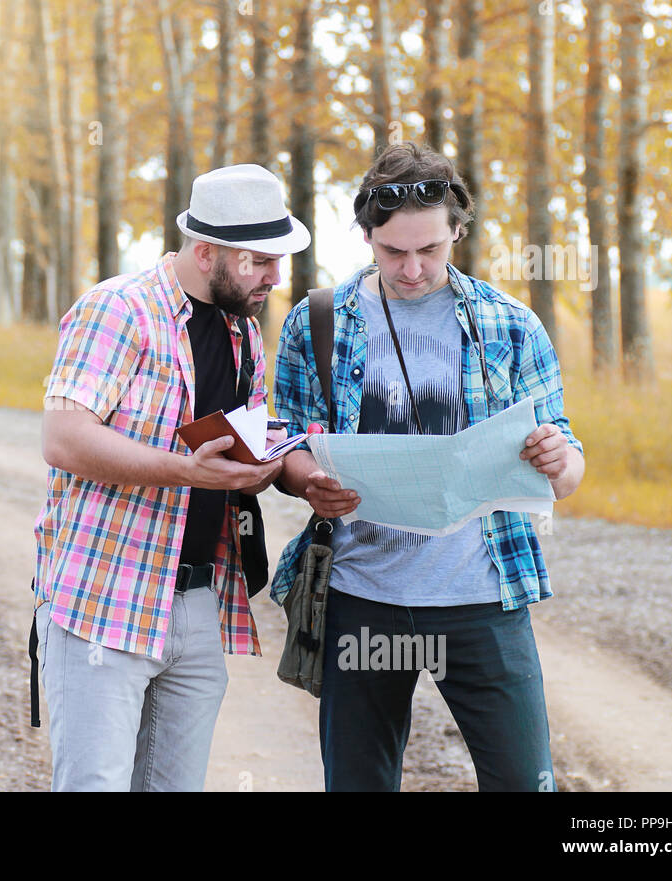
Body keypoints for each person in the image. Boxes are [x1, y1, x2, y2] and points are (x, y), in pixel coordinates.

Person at [271, 142, 586, 792]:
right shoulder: (317, 323)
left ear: (458, 232)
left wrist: (559, 457)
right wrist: (308, 481)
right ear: (366, 235)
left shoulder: (510, 325)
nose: (412, 269)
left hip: (481, 599)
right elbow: (285, 446)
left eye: (431, 250)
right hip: (362, 596)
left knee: (526, 781)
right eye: (393, 252)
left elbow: (570, 463)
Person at [32, 164, 308, 791]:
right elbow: (63, 436)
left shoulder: (245, 331)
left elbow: (236, 460)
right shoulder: (119, 309)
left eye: (278, 259)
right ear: (206, 250)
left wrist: (259, 471)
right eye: (259, 261)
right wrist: (188, 471)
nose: (275, 276)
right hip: (103, 599)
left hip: (198, 603)